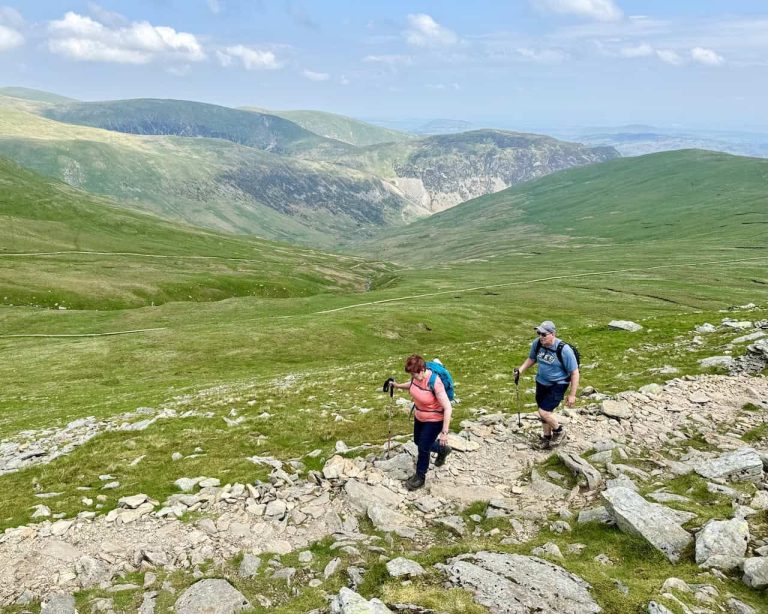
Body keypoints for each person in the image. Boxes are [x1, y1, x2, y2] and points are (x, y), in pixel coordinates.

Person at [388, 354, 453, 490]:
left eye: (414, 373)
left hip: (435, 420)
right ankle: (442, 449)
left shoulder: (435, 382)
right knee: (418, 441)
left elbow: (447, 407)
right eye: (411, 374)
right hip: (420, 416)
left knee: (423, 446)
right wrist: (398, 385)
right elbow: (412, 385)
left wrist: (444, 433)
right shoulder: (415, 377)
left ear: (422, 370)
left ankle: (420, 477)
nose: (413, 376)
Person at [514, 320, 579, 449]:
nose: (540, 337)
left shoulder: (564, 350)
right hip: (541, 382)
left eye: (544, 334)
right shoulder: (537, 344)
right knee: (543, 411)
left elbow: (574, 373)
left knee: (544, 412)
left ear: (553, 334)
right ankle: (546, 438)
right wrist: (520, 370)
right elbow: (532, 358)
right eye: (539, 333)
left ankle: (559, 431)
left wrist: (572, 395)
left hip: (558, 384)